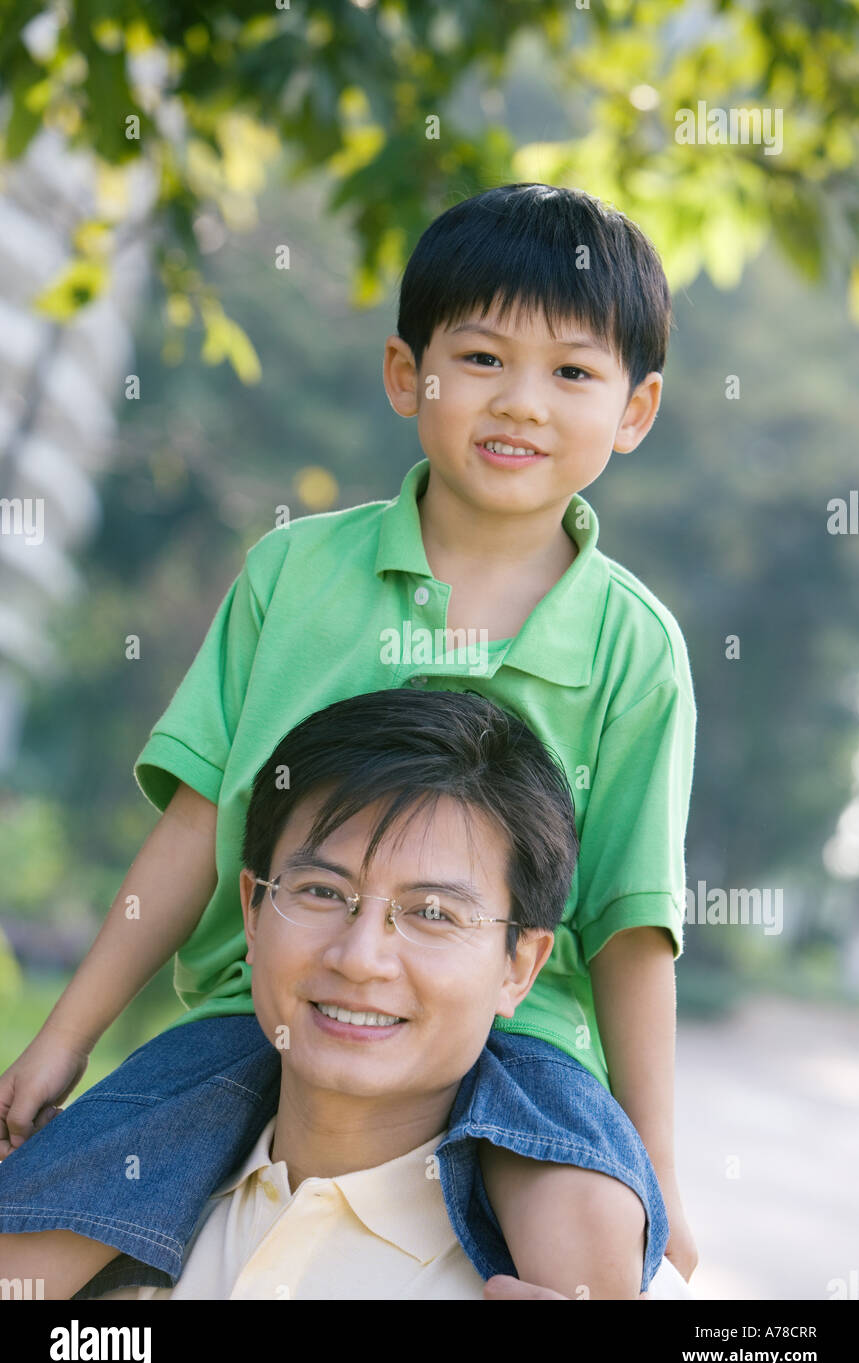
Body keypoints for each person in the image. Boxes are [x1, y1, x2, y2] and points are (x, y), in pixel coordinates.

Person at [0, 183, 697, 1300]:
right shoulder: (295, 574)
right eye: (479, 358)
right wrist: (62, 1040)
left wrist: (653, 1158)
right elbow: (196, 826)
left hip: (528, 1036)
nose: (520, 403)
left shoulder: (634, 649)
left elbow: (630, 925)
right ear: (402, 374)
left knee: (592, 1242)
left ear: (636, 409)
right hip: (268, 1009)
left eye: (571, 371)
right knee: (33, 1237)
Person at [89, 688, 686, 1299]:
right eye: (321, 892)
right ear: (253, 911)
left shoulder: (600, 1284)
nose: (359, 958)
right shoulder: (88, 1225)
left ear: (520, 968)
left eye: (432, 912)